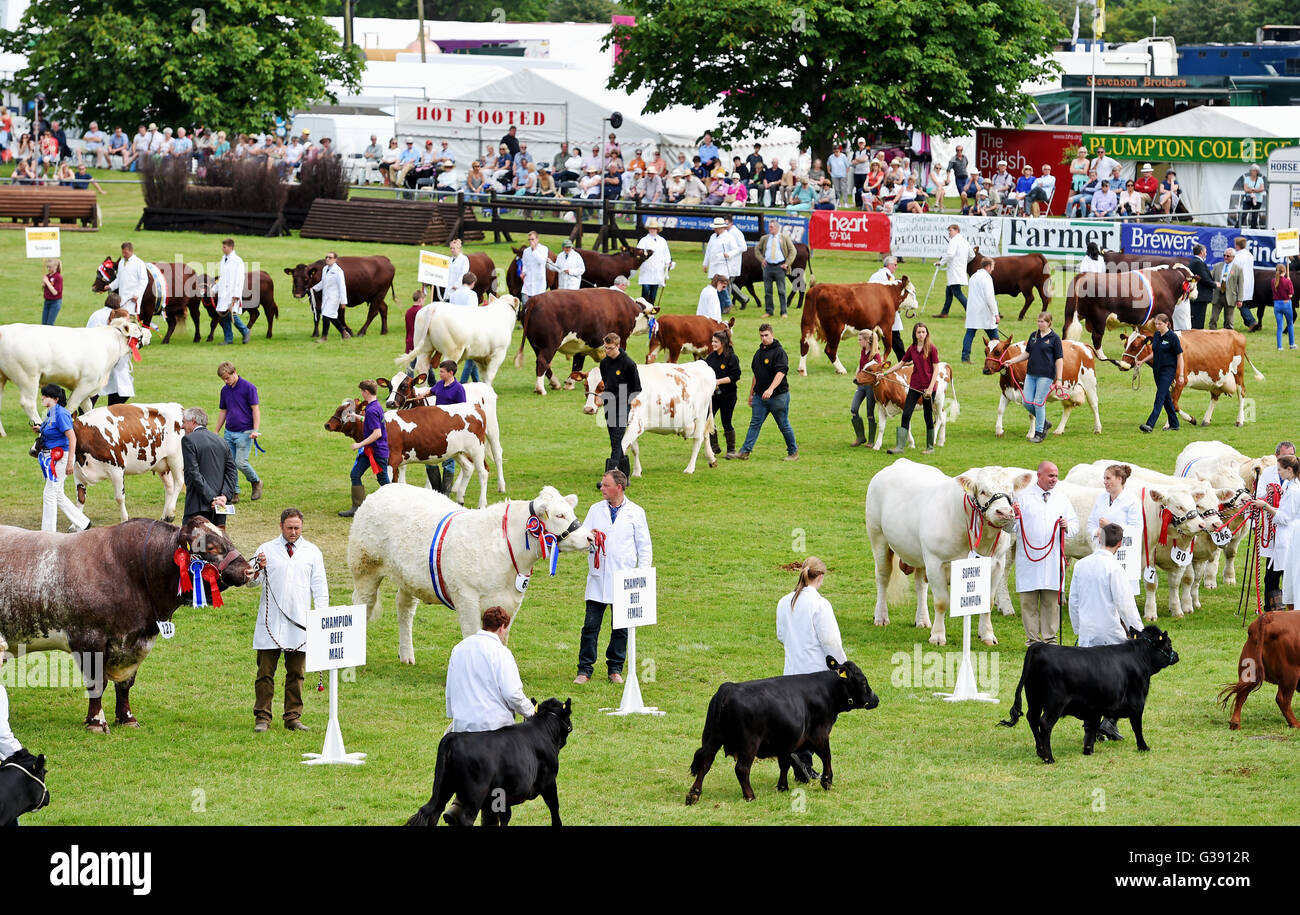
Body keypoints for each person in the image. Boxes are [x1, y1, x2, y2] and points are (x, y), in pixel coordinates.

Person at [250, 508, 326, 733]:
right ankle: (262, 717)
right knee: (265, 673)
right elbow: (252, 583)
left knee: (296, 673)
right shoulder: (266, 549)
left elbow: (320, 588)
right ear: (281, 526)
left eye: (297, 528)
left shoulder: (312, 552)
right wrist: (256, 570)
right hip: (270, 621)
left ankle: (293, 716)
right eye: (289, 528)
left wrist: (320, 618)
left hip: (300, 622)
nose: (293, 532)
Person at [574, 469, 651, 685]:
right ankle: (584, 669)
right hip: (598, 577)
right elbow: (582, 537)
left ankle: (615, 669)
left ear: (619, 487)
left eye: (606, 485)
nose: (602, 488)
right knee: (590, 626)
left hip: (624, 580)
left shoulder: (636, 512)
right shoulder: (595, 510)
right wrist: (591, 539)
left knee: (621, 628)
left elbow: (644, 546)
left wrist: (642, 575)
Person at [1067, 522, 1143, 740]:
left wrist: (1079, 630)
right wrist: (1138, 631)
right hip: (1111, 635)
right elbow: (1125, 604)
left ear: (1099, 540)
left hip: (1088, 633)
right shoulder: (1115, 569)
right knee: (1124, 680)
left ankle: (1092, 725)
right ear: (1119, 544)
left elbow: (1073, 600)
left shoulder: (1081, 565)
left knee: (1089, 683)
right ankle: (1109, 722)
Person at [776, 556, 846, 779]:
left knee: (795, 720)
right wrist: (841, 666)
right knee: (818, 722)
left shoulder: (784, 601)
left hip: (791, 674)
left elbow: (780, 635)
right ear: (821, 577)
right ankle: (804, 759)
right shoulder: (820, 604)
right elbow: (831, 641)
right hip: (816, 677)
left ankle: (798, 761)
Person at [1014, 461, 1078, 645]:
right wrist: (1015, 516)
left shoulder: (1061, 498)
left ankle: (1050, 640)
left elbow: (1074, 525)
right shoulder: (1022, 497)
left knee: (1051, 603)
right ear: (1039, 475)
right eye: (1051, 476)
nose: (1054, 480)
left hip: (1052, 559)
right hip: (1029, 558)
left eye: (1056, 476)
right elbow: (1011, 528)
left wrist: (1067, 526)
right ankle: (1033, 640)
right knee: (1029, 603)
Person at [447, 606, 535, 730]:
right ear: (502, 627)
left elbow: (451, 688)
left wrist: (457, 716)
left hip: (463, 727)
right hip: (495, 730)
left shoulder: (459, 649)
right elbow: (512, 694)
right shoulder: (501, 652)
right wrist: (531, 711)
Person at [734, 323, 797, 462]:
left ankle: (793, 452)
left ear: (772, 335)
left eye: (766, 335)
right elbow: (756, 375)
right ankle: (745, 451)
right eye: (761, 336)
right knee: (755, 424)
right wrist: (751, 394)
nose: (764, 338)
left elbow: (780, 373)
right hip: (759, 397)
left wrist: (771, 389)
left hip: (778, 397)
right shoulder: (759, 353)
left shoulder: (779, 352)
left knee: (783, 425)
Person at [35, 384, 92, 533]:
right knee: (58, 493)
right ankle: (83, 522)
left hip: (60, 457)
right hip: (53, 456)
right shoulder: (51, 412)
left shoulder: (61, 414)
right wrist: (40, 428)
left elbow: (72, 438)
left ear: (55, 399)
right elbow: (53, 428)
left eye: (46, 396)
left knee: (49, 493)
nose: (42, 398)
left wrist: (69, 463)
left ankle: (48, 532)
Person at [1000, 311, 1063, 443]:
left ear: (1049, 323)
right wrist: (1012, 361)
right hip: (1031, 374)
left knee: (1039, 402)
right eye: (1038, 321)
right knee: (1026, 401)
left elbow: (1059, 359)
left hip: (1046, 376)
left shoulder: (1054, 339)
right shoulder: (1033, 336)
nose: (1039, 324)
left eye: (1042, 322)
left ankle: (1039, 433)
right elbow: (1027, 354)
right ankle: (1044, 422)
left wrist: (1059, 379)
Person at [885, 323, 940, 455]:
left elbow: (936, 369)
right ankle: (900, 447)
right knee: (906, 414)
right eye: (918, 332)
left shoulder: (932, 349)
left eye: (923, 332)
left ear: (927, 333)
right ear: (915, 334)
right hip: (915, 386)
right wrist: (886, 373)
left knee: (927, 416)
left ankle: (930, 447)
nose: (921, 335)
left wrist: (930, 388)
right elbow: (901, 363)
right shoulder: (912, 349)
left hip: (928, 388)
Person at [338, 379, 389, 518]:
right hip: (370, 451)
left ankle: (394, 507)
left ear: (366, 392)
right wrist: (356, 416)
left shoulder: (372, 409)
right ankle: (357, 507)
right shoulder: (375, 406)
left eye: (362, 391)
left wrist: (359, 444)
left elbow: (377, 433)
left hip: (377, 452)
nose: (361, 393)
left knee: (383, 481)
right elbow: (371, 421)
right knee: (355, 474)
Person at [181, 406, 237, 529]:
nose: (182, 426)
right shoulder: (221, 441)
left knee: (196, 545)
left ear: (193, 421)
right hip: (220, 508)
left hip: (198, 506)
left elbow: (193, 473)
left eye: (184, 422)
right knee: (217, 545)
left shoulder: (188, 440)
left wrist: (212, 498)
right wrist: (224, 497)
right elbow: (232, 472)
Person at [1255, 449, 1298, 607]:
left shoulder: (1293, 490)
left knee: (1283, 575)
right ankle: (1274, 607)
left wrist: (1265, 506)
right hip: (1281, 536)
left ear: (1289, 470)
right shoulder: (1291, 484)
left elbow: (1284, 518)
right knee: (1275, 574)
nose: (1278, 472)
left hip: (1287, 537)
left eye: (1280, 469)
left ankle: (1279, 609)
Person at [215, 362, 263, 503]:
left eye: (227, 378)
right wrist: (216, 430)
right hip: (229, 432)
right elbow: (223, 411)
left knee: (241, 463)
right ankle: (234, 492)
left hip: (245, 432)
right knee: (229, 464)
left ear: (234, 372)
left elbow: (255, 409)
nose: (226, 381)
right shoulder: (225, 390)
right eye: (223, 379)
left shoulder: (249, 388)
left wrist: (256, 430)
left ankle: (256, 481)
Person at [596, 333, 640, 481]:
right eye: (605, 348)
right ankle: (625, 477)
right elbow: (607, 383)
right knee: (615, 442)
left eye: (610, 348)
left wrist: (626, 402)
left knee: (616, 441)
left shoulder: (629, 364)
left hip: (622, 406)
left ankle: (607, 479)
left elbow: (637, 388)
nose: (607, 351)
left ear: (618, 346)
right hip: (609, 405)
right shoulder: (604, 363)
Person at [1133, 312, 1184, 433]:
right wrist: (1142, 361)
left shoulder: (1172, 337)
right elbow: (1155, 352)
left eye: (1160, 324)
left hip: (1168, 370)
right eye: (1155, 324)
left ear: (1167, 323)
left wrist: (1181, 374)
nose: (1157, 326)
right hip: (1157, 370)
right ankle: (1174, 423)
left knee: (1159, 397)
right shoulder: (1156, 335)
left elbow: (1180, 356)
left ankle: (1150, 424)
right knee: (1166, 398)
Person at [705, 329, 741, 460]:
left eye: (715, 342)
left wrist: (718, 381)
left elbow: (735, 376)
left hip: (728, 396)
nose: (712, 344)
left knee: (727, 421)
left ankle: (731, 450)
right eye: (712, 341)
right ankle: (714, 447)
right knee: (708, 419)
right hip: (713, 396)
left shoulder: (732, 357)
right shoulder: (711, 357)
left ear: (723, 343)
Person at [1087, 464, 1142, 548]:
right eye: (1104, 478)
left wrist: (1110, 526)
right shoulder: (1101, 498)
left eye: (1108, 478)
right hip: (1100, 549)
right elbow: (1091, 522)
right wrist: (1096, 531)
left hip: (1123, 552)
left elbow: (1136, 530)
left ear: (1119, 479)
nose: (1105, 482)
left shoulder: (1132, 501)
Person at [850, 329, 885, 447]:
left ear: (867, 340)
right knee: (854, 409)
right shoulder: (863, 351)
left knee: (870, 413)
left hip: (870, 387)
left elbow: (879, 371)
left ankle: (871, 441)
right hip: (861, 386)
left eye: (860, 340)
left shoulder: (876, 355)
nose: (858, 342)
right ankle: (860, 437)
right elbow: (860, 367)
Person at [961, 257, 1000, 363]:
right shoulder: (987, 278)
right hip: (984, 311)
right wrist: (996, 314)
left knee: (970, 333)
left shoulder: (973, 276)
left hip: (973, 310)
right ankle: (1001, 355)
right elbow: (990, 298)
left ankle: (965, 357)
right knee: (994, 336)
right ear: (988, 266)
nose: (993, 269)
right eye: (992, 267)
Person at [213, 238, 250, 345]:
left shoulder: (237, 261)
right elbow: (222, 278)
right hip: (223, 293)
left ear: (230, 247)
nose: (222, 249)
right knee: (224, 314)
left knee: (231, 314)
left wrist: (237, 294)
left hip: (232, 292)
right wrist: (214, 289)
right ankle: (228, 338)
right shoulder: (223, 259)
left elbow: (240, 279)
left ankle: (245, 330)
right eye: (222, 246)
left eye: (224, 247)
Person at [869, 255, 907, 360]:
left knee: (873, 338)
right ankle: (904, 360)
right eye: (895, 265)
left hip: (873, 312)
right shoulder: (890, 278)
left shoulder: (874, 275)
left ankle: (870, 360)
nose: (896, 267)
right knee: (895, 338)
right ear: (889, 265)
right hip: (886, 313)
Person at [758, 221, 795, 318]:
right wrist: (762, 260)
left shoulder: (784, 238)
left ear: (777, 228)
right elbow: (757, 250)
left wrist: (787, 263)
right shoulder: (765, 238)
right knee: (767, 291)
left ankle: (784, 312)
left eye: (771, 227)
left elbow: (793, 251)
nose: (769, 229)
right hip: (768, 267)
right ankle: (769, 311)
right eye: (769, 227)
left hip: (780, 266)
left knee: (781, 290)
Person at [703, 218, 740, 314]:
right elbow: (708, 251)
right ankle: (721, 307)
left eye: (717, 228)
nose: (715, 230)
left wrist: (729, 254)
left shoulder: (729, 237)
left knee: (721, 285)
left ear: (722, 228)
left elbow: (736, 249)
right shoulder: (713, 237)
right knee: (715, 287)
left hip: (723, 265)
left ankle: (728, 303)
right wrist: (705, 263)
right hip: (714, 265)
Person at [311, 251, 349, 341]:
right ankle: (344, 333)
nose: (327, 259)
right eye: (326, 257)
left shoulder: (338, 271)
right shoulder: (325, 269)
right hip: (326, 297)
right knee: (331, 316)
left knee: (326, 315)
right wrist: (314, 288)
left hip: (334, 298)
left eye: (330, 258)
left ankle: (324, 337)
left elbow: (342, 286)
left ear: (335, 260)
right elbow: (323, 282)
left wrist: (343, 301)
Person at [934, 224, 970, 318]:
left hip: (955, 271)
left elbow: (950, 254)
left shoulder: (954, 241)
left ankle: (971, 312)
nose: (949, 233)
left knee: (957, 293)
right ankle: (944, 312)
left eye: (950, 231)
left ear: (957, 230)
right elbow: (972, 255)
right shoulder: (964, 241)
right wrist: (963, 262)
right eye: (949, 231)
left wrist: (941, 262)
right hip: (959, 269)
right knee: (949, 291)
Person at [635, 218, 671, 307]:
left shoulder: (662, 241)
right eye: (651, 228)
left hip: (658, 269)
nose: (652, 230)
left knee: (654, 291)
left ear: (657, 230)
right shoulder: (644, 240)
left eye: (654, 228)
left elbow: (666, 253)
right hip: (647, 267)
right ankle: (643, 307)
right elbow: (639, 252)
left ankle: (651, 308)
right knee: (646, 289)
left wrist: (668, 262)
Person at [107, 241, 148, 317]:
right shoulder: (121, 262)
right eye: (122, 252)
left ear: (131, 251)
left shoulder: (139, 263)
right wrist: (110, 286)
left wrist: (137, 294)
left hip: (132, 299)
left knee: (131, 322)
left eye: (125, 253)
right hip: (122, 299)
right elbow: (119, 279)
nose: (123, 255)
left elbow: (144, 281)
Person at [1229, 237, 1259, 331]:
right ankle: (1249, 322)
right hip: (1249, 282)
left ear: (1236, 246)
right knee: (1242, 303)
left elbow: (1234, 270)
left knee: (1240, 304)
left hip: (1239, 282)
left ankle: (1251, 321)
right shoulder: (1249, 255)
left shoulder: (1237, 257)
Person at [1187, 243, 1215, 329]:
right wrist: (1214, 284)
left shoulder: (1195, 261)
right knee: (1198, 320)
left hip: (1198, 296)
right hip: (1200, 296)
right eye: (1205, 252)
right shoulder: (1198, 263)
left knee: (1195, 318)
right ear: (1202, 252)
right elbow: (1204, 278)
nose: (1206, 254)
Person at [519, 230, 550, 306]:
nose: (530, 241)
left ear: (537, 239)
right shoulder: (526, 251)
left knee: (538, 307)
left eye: (532, 239)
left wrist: (534, 250)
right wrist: (524, 272)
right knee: (525, 305)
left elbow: (542, 261)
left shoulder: (544, 249)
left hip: (539, 284)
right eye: (529, 240)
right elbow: (525, 264)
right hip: (527, 283)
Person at [1210, 248, 1237, 330]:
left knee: (1229, 321)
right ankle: (1212, 334)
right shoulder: (1217, 266)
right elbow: (1210, 279)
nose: (1225, 257)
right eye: (1224, 255)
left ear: (1233, 257)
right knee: (1213, 319)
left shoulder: (1238, 269)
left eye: (1228, 256)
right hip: (1217, 296)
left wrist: (1240, 299)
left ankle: (1228, 337)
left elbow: (1241, 285)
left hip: (1230, 297)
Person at [1273, 262, 1295, 351]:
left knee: (1279, 326)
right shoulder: (1287, 281)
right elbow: (1290, 295)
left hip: (1277, 305)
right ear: (1285, 271)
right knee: (1290, 324)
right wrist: (1289, 282)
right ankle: (1292, 344)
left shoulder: (1273, 281)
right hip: (1286, 304)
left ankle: (1279, 346)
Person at [1241, 164, 1266, 229]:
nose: (1255, 172)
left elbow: (1262, 189)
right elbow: (1245, 189)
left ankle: (1253, 230)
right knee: (1244, 215)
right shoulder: (1247, 179)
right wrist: (1256, 190)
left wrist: (1252, 190)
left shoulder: (1260, 179)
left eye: (1257, 171)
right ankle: (1236, 228)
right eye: (1254, 170)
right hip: (1248, 200)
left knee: (1254, 216)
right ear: (1251, 171)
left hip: (1257, 200)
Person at [40, 258, 62, 325]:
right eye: (47, 267)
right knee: (44, 323)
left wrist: (47, 282)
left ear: (55, 267)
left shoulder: (58, 277)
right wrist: (43, 284)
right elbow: (45, 289)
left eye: (50, 267)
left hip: (55, 303)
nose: (48, 269)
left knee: (49, 324)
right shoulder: (47, 276)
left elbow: (55, 292)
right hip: (47, 302)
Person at [946, 144, 969, 210]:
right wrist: (948, 178)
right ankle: (966, 207)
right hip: (959, 178)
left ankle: (962, 208)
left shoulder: (965, 157)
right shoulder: (953, 160)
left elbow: (966, 164)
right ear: (956, 151)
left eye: (961, 150)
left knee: (964, 194)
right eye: (958, 150)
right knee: (962, 193)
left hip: (965, 177)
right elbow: (948, 169)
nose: (959, 151)